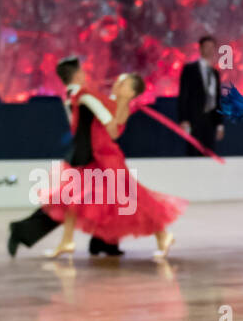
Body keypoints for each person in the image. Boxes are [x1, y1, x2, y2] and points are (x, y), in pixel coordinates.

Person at [43, 66, 185, 259]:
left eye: (123, 83)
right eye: (119, 81)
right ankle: (67, 241)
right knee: (75, 197)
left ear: (131, 93)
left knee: (136, 201)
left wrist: (89, 98)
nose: (117, 84)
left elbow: (113, 132)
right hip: (98, 157)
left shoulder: (121, 107)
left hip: (108, 160)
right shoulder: (112, 102)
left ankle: (163, 235)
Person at [9, 56, 122, 258]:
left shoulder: (71, 95)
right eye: (82, 72)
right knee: (72, 202)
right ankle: (23, 230)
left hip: (85, 152)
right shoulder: (84, 96)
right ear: (78, 74)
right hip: (88, 155)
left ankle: (103, 241)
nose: (85, 75)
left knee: (95, 200)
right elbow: (107, 119)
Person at [177, 35, 225, 156]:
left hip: (210, 120)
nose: (209, 50)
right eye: (206, 47)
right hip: (194, 119)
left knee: (208, 153)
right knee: (193, 152)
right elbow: (183, 95)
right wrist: (184, 119)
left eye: (212, 47)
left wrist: (219, 124)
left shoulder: (215, 73)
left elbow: (217, 99)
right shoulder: (189, 69)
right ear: (200, 48)